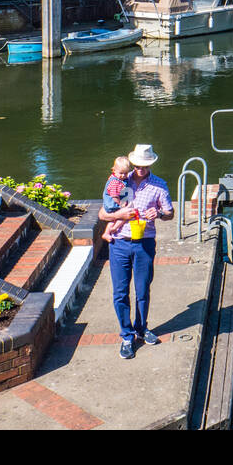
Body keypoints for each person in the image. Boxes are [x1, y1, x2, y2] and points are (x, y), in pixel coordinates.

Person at [98, 144, 173, 359]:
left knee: (142, 290)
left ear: (151, 165)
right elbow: (103, 214)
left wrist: (157, 213)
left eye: (145, 165)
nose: (140, 168)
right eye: (138, 165)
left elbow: (170, 213)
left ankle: (141, 328)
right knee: (120, 292)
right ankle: (126, 335)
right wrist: (120, 214)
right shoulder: (120, 180)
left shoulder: (159, 185)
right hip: (120, 243)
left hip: (144, 243)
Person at [101, 156, 134, 243]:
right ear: (114, 170)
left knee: (115, 218)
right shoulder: (114, 182)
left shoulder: (120, 179)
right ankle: (113, 229)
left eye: (126, 173)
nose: (123, 176)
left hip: (115, 202)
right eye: (121, 173)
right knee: (125, 214)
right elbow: (114, 196)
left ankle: (107, 232)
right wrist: (121, 205)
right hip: (112, 203)